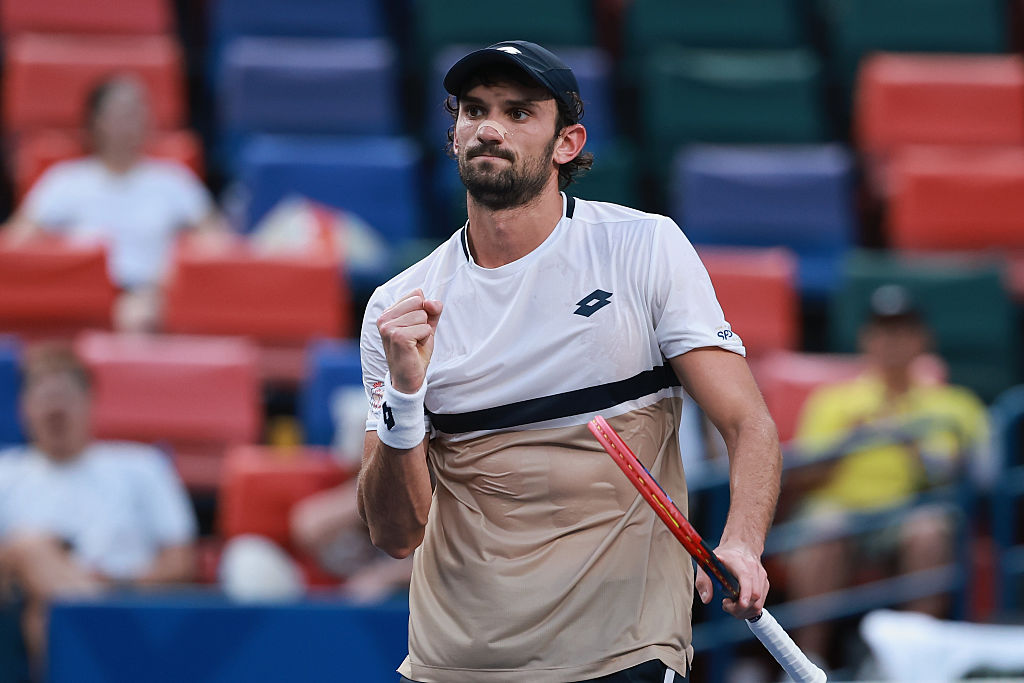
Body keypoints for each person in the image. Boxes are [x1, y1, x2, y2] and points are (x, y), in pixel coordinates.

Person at [356, 41, 781, 682]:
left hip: (623, 651)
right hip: (459, 661)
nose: (489, 128)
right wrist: (406, 396)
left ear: (567, 143)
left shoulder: (645, 249)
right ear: (453, 137)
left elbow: (749, 423)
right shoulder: (399, 309)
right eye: (473, 111)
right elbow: (393, 534)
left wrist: (742, 543)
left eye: (519, 112)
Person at [784, 284, 989, 667]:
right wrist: (846, 444)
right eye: (883, 330)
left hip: (909, 511)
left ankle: (913, 660)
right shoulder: (833, 401)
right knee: (826, 529)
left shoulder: (954, 406)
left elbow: (973, 480)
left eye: (903, 330)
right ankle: (805, 660)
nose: (892, 341)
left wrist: (915, 448)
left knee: (928, 528)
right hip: (843, 510)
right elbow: (799, 479)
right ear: (867, 339)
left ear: (922, 339)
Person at [0, 342, 197, 665]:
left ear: (90, 402)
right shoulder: (5, 474)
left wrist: (120, 587)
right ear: (24, 407)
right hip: (30, 612)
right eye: (45, 399)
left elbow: (180, 560)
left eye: (64, 397)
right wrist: (24, 556)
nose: (55, 410)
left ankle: (93, 629)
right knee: (31, 556)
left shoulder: (142, 466)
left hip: (130, 605)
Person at [2, 76, 226, 332]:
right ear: (96, 120)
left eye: (140, 111)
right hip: (78, 297)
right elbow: (17, 240)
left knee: (137, 315)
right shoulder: (65, 180)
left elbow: (217, 243)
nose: (134, 121)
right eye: (123, 112)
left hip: (151, 294)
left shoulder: (174, 181)